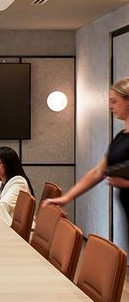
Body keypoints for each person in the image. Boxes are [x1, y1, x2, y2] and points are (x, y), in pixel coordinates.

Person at [46, 78, 129, 228]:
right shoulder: (121, 137)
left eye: (114, 101)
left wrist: (126, 183)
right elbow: (98, 172)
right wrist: (67, 197)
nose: (110, 106)